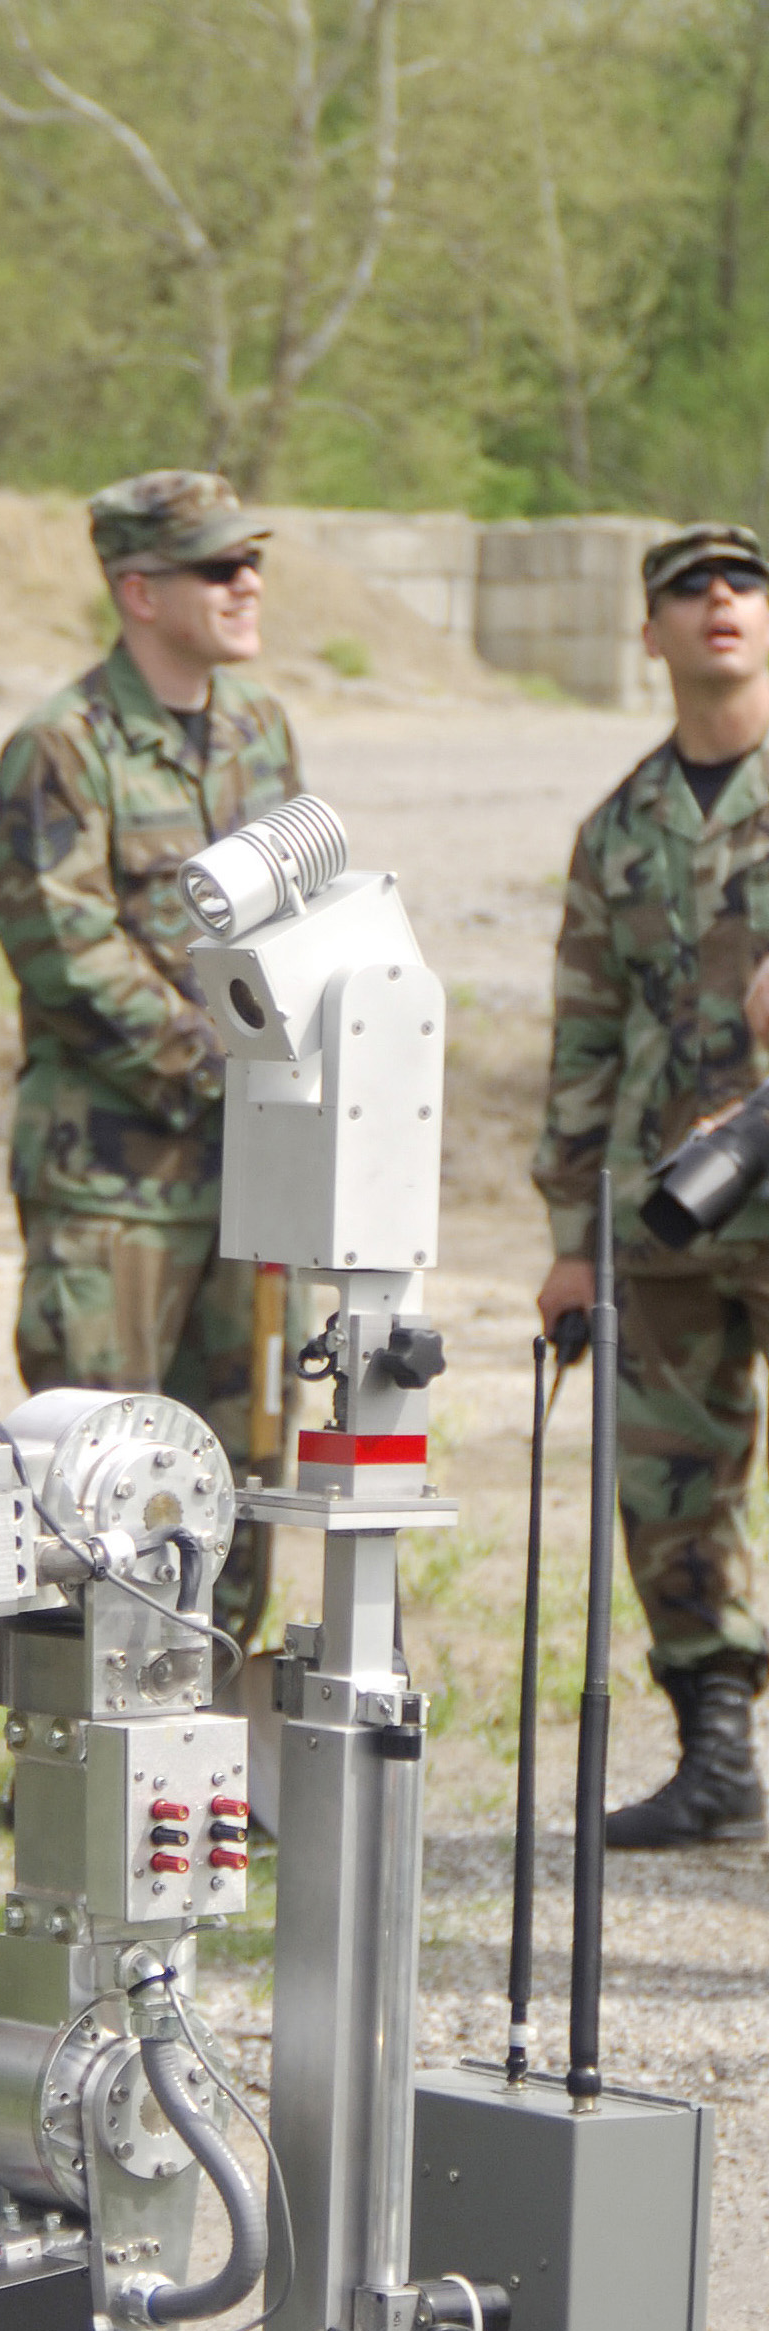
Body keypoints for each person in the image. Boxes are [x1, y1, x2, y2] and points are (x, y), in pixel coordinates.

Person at [0, 469, 302, 1645]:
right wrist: (222, 1067)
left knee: (239, 1460)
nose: (245, 583)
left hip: (251, 1177)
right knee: (98, 1473)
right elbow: (62, 950)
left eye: (249, 561)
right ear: (137, 590)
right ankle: (82, 1760)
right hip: (111, 1182)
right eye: (216, 567)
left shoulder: (260, 730)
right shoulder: (60, 747)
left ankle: (205, 1755)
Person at [533, 523, 769, 1848]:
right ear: (651, 633)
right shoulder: (618, 829)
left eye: (742, 583)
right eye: (688, 588)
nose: (720, 601)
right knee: (673, 1490)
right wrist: (574, 1235)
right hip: (667, 1214)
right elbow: (582, 1034)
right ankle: (719, 1757)